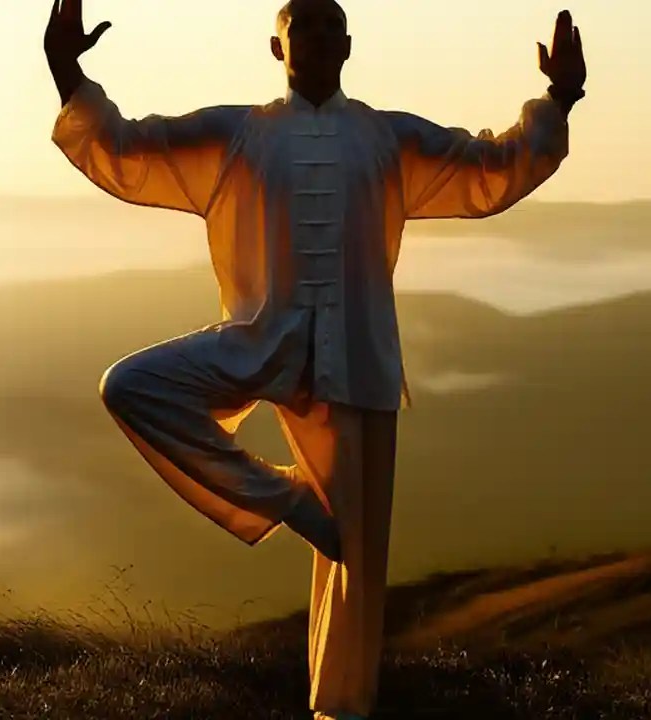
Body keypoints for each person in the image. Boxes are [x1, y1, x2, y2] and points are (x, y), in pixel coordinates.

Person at [43, 0, 586, 717]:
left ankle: (340, 710)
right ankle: (287, 497)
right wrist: (65, 70)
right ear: (278, 47)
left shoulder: (386, 136)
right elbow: (128, 147)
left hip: (356, 356)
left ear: (351, 45)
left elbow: (492, 166)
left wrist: (559, 97)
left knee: (355, 560)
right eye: (303, 25)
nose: (320, 35)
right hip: (260, 340)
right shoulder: (238, 132)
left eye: (333, 25)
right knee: (133, 386)